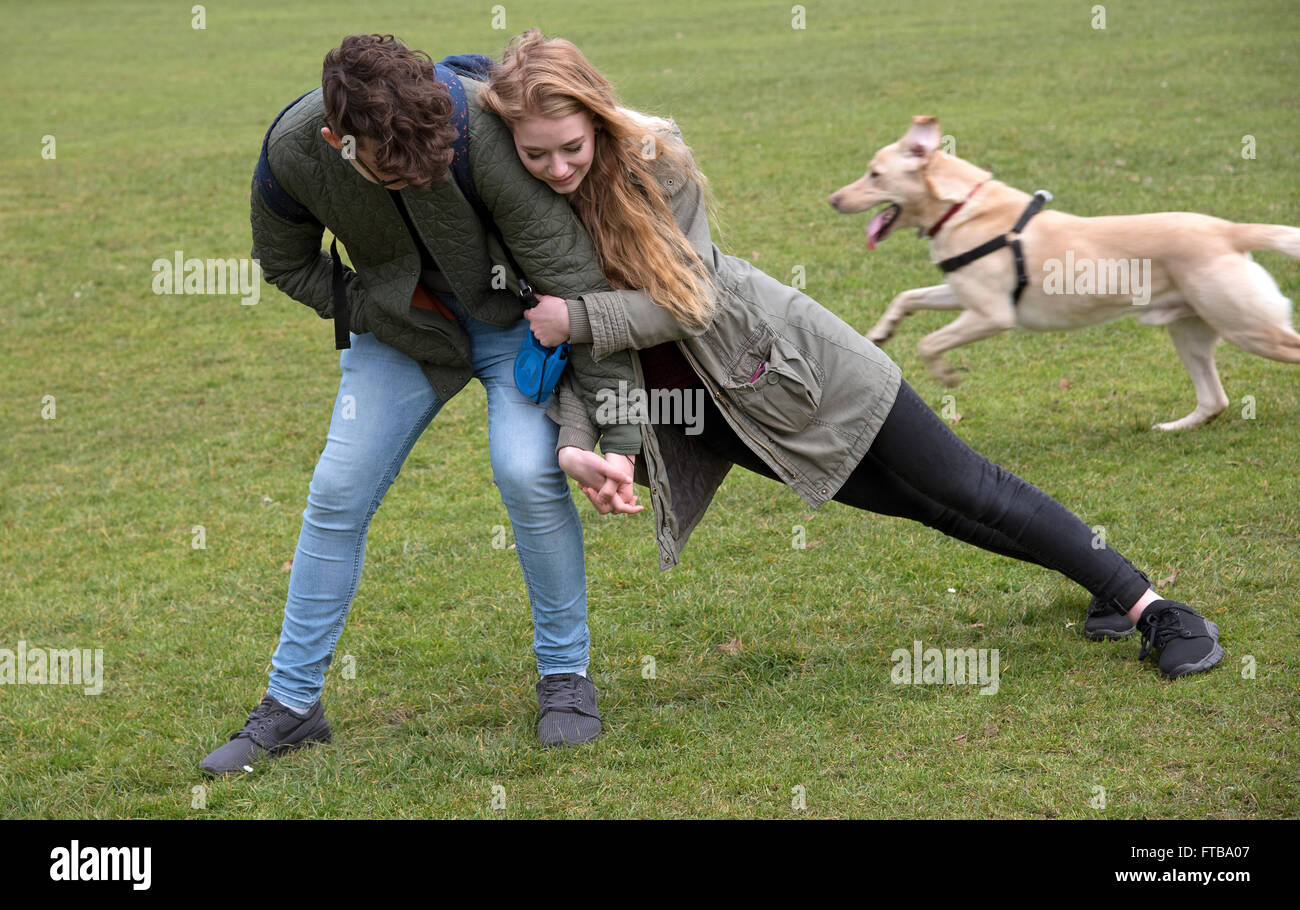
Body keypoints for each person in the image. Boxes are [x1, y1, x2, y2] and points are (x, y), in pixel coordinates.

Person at [477, 29, 1224, 681]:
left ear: (599, 121)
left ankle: (1157, 610)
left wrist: (575, 315)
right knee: (931, 508)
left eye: (571, 147)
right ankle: (1098, 579)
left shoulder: (653, 168)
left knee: (968, 483)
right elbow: (575, 351)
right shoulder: (533, 214)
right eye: (535, 153)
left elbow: (689, 300)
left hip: (798, 365)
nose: (558, 167)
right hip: (727, 419)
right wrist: (579, 438)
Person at [200, 34, 645, 775]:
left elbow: (580, 286)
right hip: (400, 332)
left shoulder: (472, 127)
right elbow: (282, 261)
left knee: (526, 472)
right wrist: (373, 307)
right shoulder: (291, 152)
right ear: (337, 142)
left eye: (433, 154)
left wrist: (620, 438)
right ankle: (291, 706)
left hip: (512, 327)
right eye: (393, 165)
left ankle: (566, 680)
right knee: (336, 491)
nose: (422, 171)